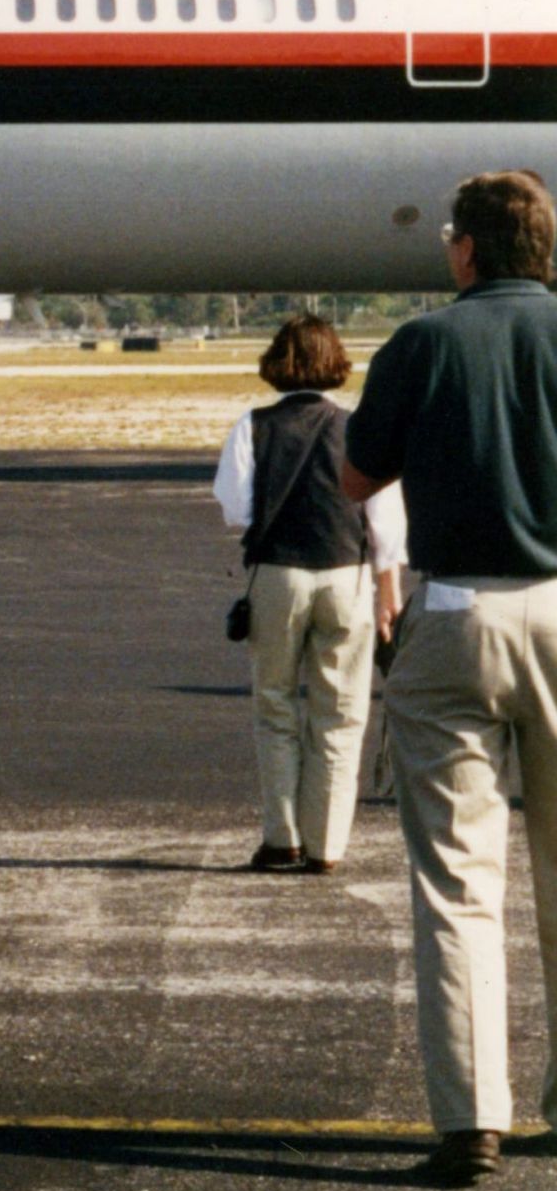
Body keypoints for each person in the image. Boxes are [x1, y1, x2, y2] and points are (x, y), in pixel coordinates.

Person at [343, 169, 557, 1188]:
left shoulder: (424, 341)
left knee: (459, 884)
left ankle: (472, 1117)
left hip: (459, 611)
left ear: (467, 249)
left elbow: (356, 476)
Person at [213, 313, 406, 874]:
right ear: (335, 362)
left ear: (277, 362)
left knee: (274, 706)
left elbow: (235, 509)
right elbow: (386, 523)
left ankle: (283, 839)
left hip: (277, 574)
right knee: (340, 714)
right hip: (348, 575)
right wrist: (388, 595)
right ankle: (326, 846)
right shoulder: (355, 426)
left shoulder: (252, 425)